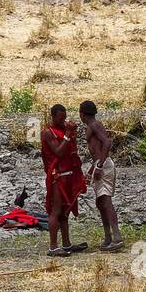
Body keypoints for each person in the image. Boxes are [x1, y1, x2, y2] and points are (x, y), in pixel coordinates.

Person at [40, 104, 88, 256]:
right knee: (56, 210)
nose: (63, 120)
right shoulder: (48, 132)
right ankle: (53, 247)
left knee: (65, 212)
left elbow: (71, 151)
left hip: (69, 174)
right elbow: (59, 152)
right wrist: (68, 134)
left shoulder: (62, 130)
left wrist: (71, 133)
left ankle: (66, 244)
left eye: (64, 117)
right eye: (60, 118)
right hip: (57, 176)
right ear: (53, 117)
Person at [79, 100, 123, 251]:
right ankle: (108, 237)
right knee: (100, 203)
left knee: (105, 201)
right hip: (99, 165)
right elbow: (97, 153)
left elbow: (107, 143)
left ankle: (116, 238)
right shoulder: (91, 126)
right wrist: (91, 170)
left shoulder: (95, 125)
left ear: (82, 114)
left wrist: (99, 165)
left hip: (104, 165)